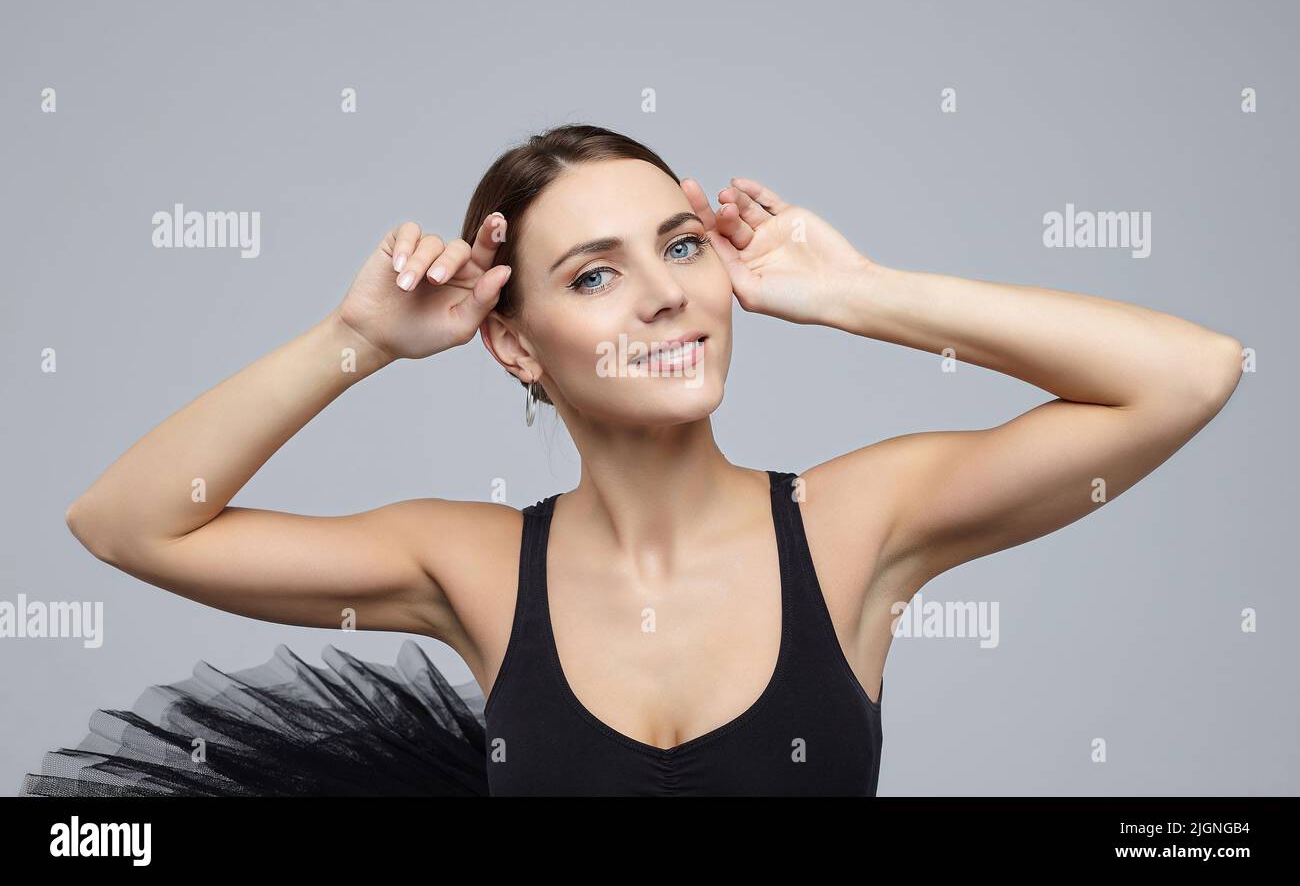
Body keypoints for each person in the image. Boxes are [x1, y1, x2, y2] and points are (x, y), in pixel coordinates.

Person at [20, 124, 1243, 796]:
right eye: (595, 273)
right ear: (513, 344)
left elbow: (1188, 374)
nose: (665, 296)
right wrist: (355, 342)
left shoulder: (852, 524)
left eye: (680, 245)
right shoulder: (474, 563)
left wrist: (868, 294)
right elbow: (128, 523)